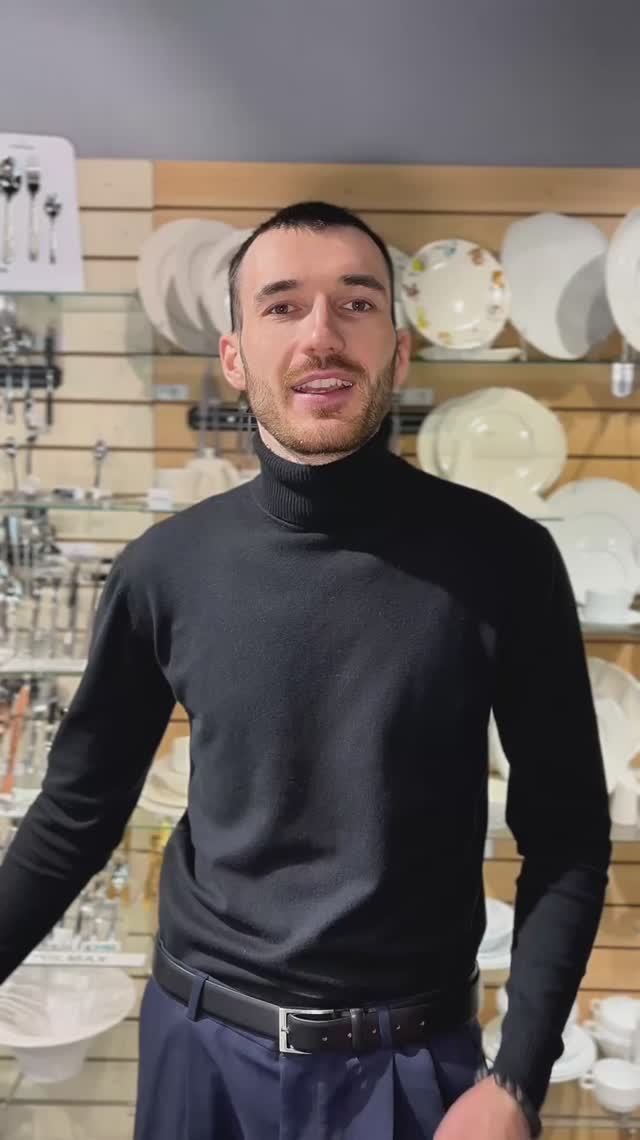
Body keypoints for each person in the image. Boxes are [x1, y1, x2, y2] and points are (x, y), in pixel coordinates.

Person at [0, 201, 611, 1140]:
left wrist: (519, 1078)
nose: (321, 333)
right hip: (199, 1054)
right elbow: (74, 815)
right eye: (282, 306)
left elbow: (567, 834)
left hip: (412, 1066)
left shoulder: (505, 560)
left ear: (399, 350)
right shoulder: (166, 569)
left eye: (356, 304)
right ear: (234, 355)